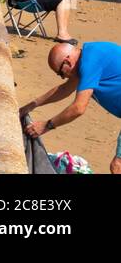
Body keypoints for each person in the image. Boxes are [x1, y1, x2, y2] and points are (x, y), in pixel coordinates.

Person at [22, 41, 121, 174]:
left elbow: (78, 108)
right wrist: (30, 106)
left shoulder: (89, 63)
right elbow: (65, 89)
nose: (64, 77)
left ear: (67, 61)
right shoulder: (88, 55)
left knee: (117, 166)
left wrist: (46, 125)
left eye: (61, 73)